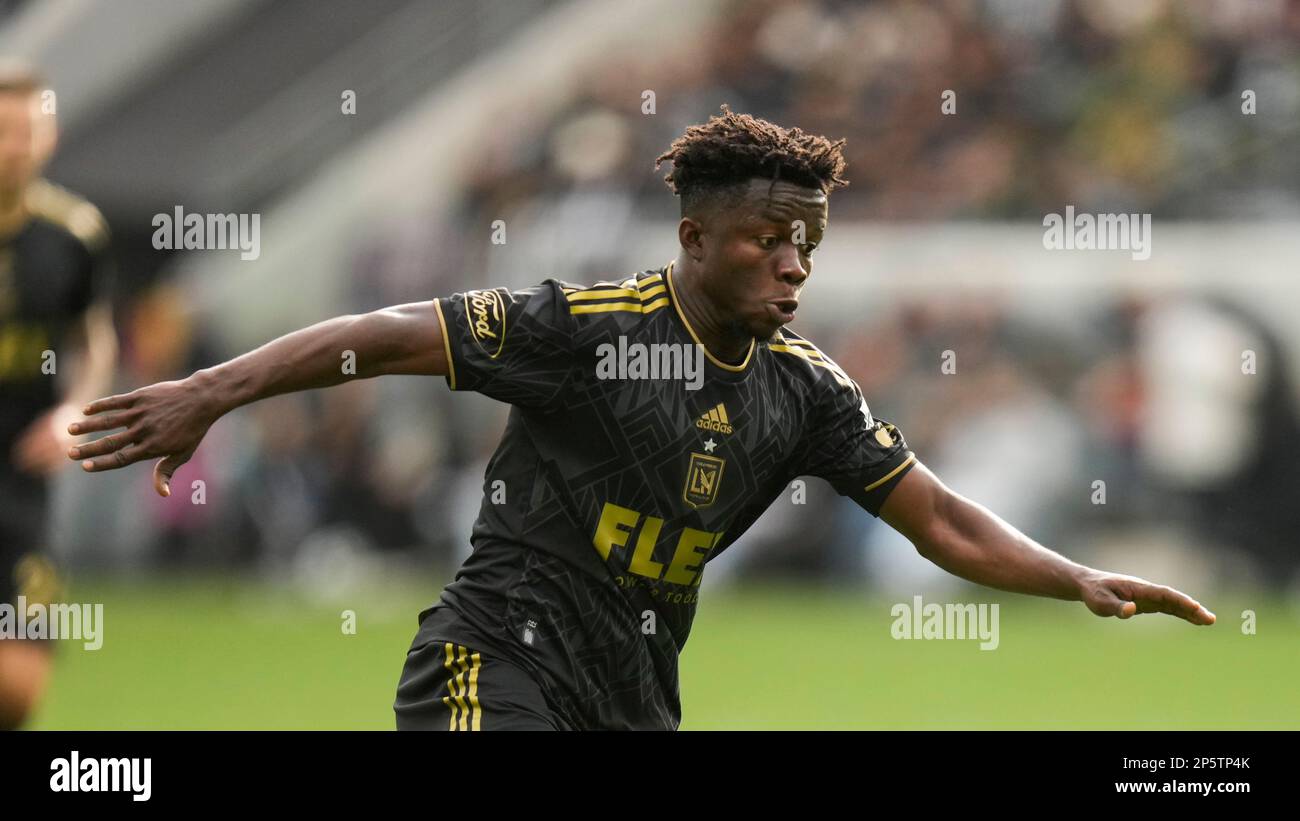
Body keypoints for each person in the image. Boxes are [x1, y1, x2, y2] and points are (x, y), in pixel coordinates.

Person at [68, 107, 1214, 731]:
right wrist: (211, 391)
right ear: (694, 240)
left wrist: (1073, 577)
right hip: (492, 660)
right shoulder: (587, 327)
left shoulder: (807, 389)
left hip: (633, 695)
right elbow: (390, 330)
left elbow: (942, 521)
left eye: (806, 241)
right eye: (769, 237)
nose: (792, 262)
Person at [0, 66, 116, 729]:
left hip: (21, 478)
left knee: (18, 685)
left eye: (27, 130)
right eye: (1, 131)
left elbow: (94, 342)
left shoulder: (74, 234)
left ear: (50, 136)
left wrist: (75, 410)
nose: (15, 144)